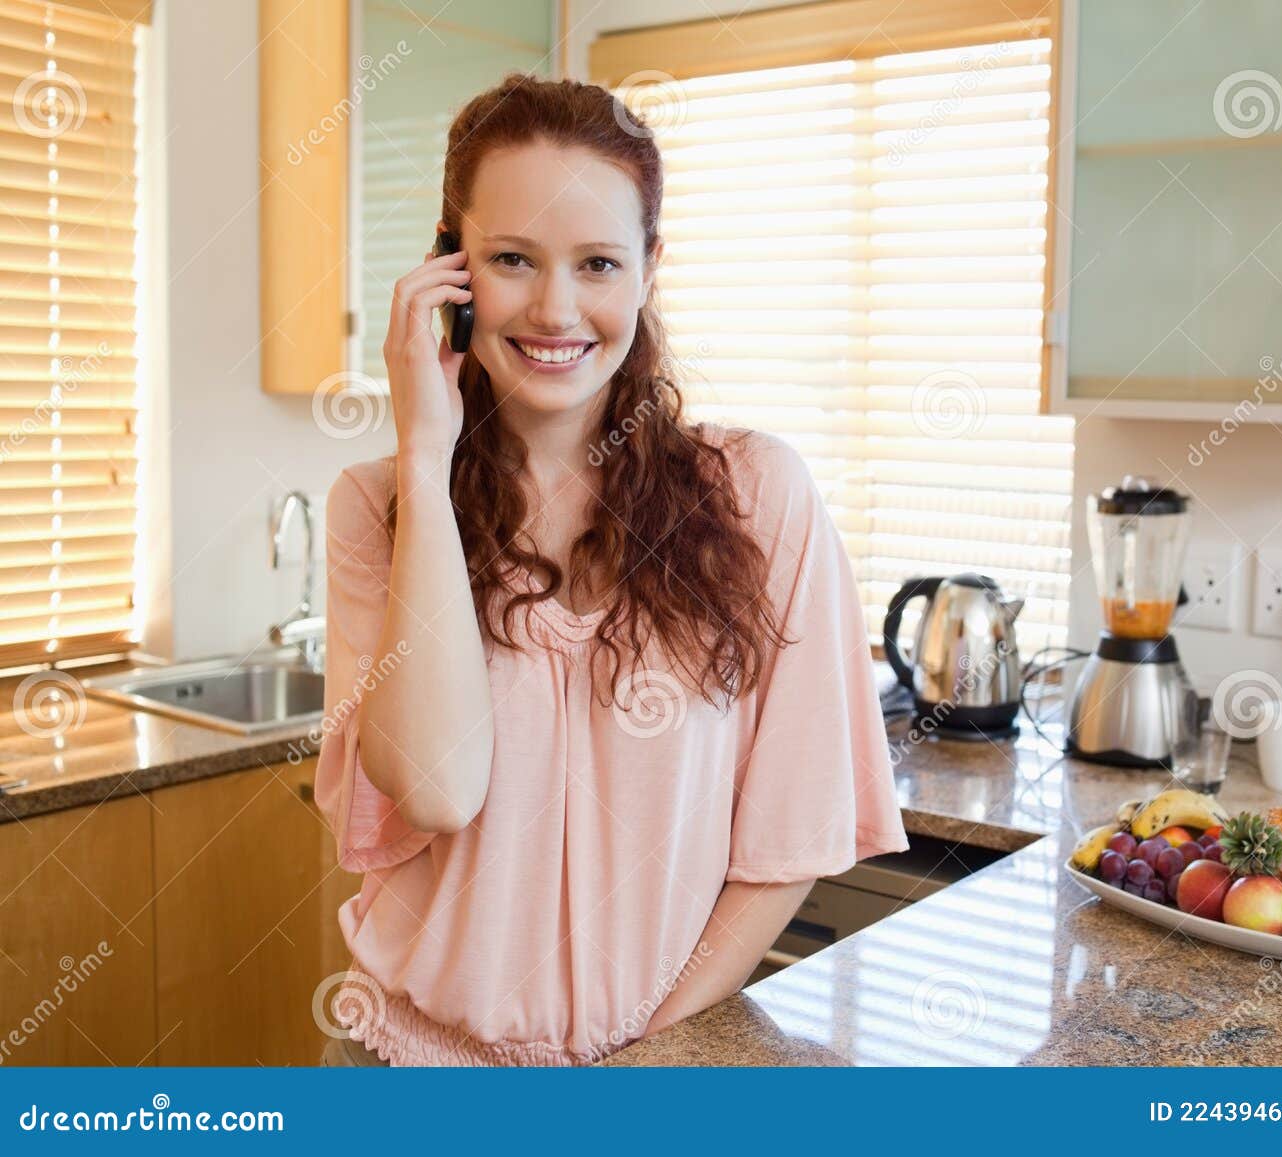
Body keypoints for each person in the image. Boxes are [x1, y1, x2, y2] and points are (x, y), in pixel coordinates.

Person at [312, 75, 907, 1067]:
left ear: (646, 270)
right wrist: (425, 453)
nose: (555, 308)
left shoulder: (759, 495)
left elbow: (787, 836)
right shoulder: (377, 506)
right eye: (511, 259)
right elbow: (436, 787)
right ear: (450, 269)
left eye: (596, 262)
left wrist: (647, 1055)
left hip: (652, 1070)